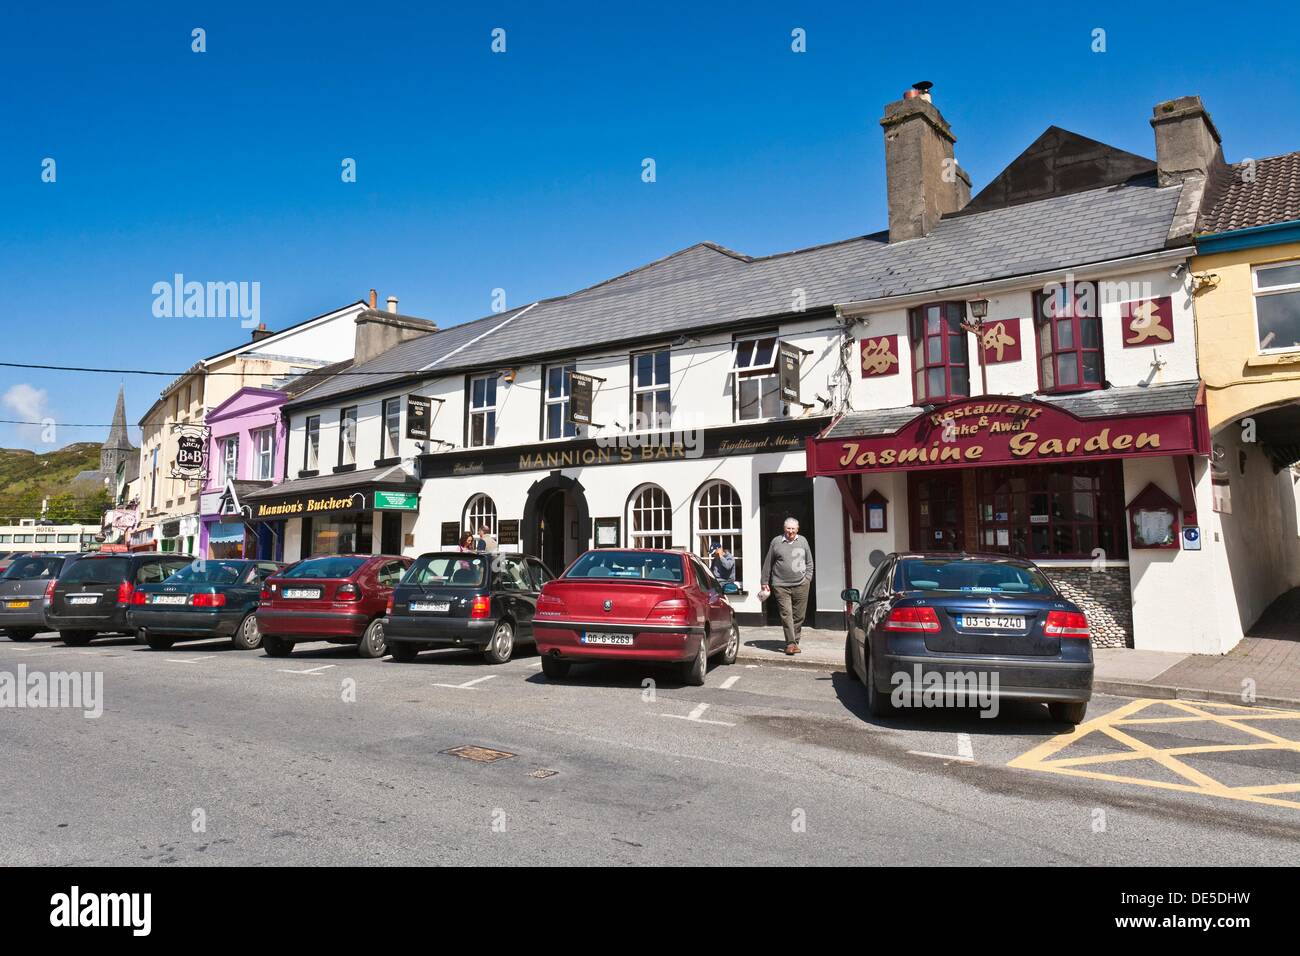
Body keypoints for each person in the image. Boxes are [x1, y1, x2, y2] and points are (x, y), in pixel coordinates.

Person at [759, 517, 814, 655]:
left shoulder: (803, 541)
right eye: (788, 529)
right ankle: (790, 644)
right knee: (786, 614)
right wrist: (764, 582)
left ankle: (795, 641)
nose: (790, 532)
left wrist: (807, 578)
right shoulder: (776, 542)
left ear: (797, 529)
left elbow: (809, 562)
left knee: (799, 616)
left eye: (793, 529)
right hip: (780, 585)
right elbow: (768, 563)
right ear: (784, 529)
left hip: (801, 584)